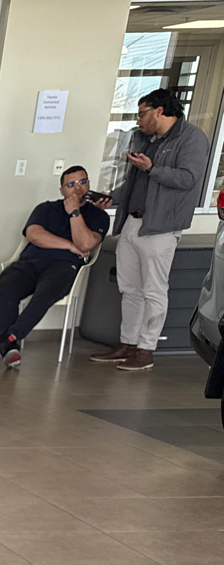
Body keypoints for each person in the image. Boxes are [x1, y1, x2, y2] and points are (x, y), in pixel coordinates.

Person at [91, 88, 212, 371]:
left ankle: (146, 350)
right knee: (130, 288)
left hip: (161, 227)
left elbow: (188, 179)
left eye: (143, 113)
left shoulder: (191, 138)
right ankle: (127, 344)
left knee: (154, 290)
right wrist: (112, 198)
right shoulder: (146, 140)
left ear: (160, 111)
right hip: (133, 222)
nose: (139, 119)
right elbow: (137, 181)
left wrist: (152, 168)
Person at [0, 165, 110, 367]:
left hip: (64, 267)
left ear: (89, 184)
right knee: (8, 282)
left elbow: (87, 244)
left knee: (46, 292)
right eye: (70, 185)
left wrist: (74, 214)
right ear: (62, 190)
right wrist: (70, 246)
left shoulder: (98, 216)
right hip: (31, 262)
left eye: (83, 182)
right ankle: (10, 345)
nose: (77, 189)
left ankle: (8, 340)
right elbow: (33, 235)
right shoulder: (46, 209)